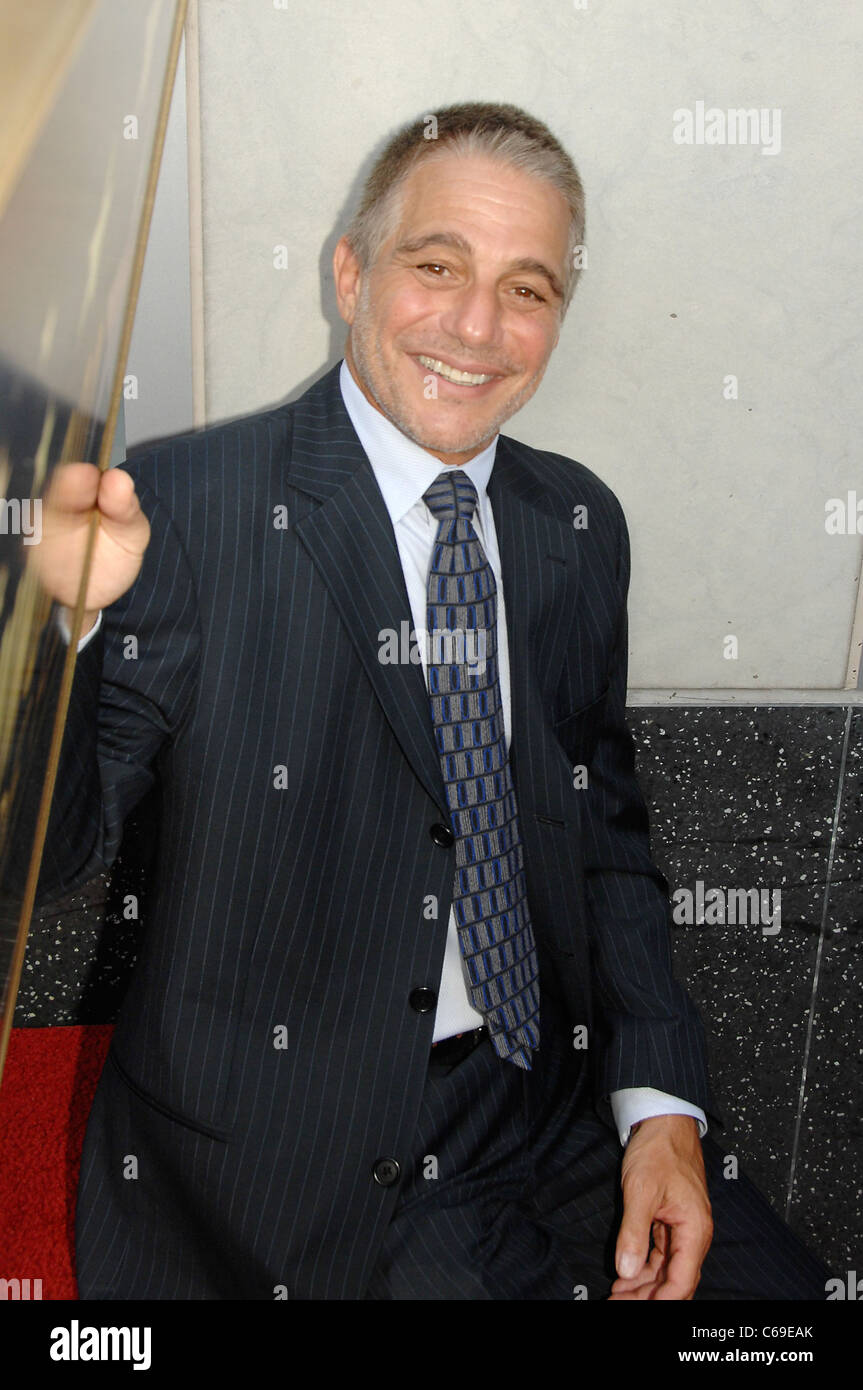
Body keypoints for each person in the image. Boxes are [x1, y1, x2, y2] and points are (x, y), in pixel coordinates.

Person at [32, 101, 829, 1300]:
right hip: (287, 1168)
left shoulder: (574, 525)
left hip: (548, 1116)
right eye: (436, 265)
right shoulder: (182, 510)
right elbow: (50, 853)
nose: (475, 326)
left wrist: (659, 1107)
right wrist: (63, 629)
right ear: (349, 272)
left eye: (527, 287)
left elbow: (605, 838)